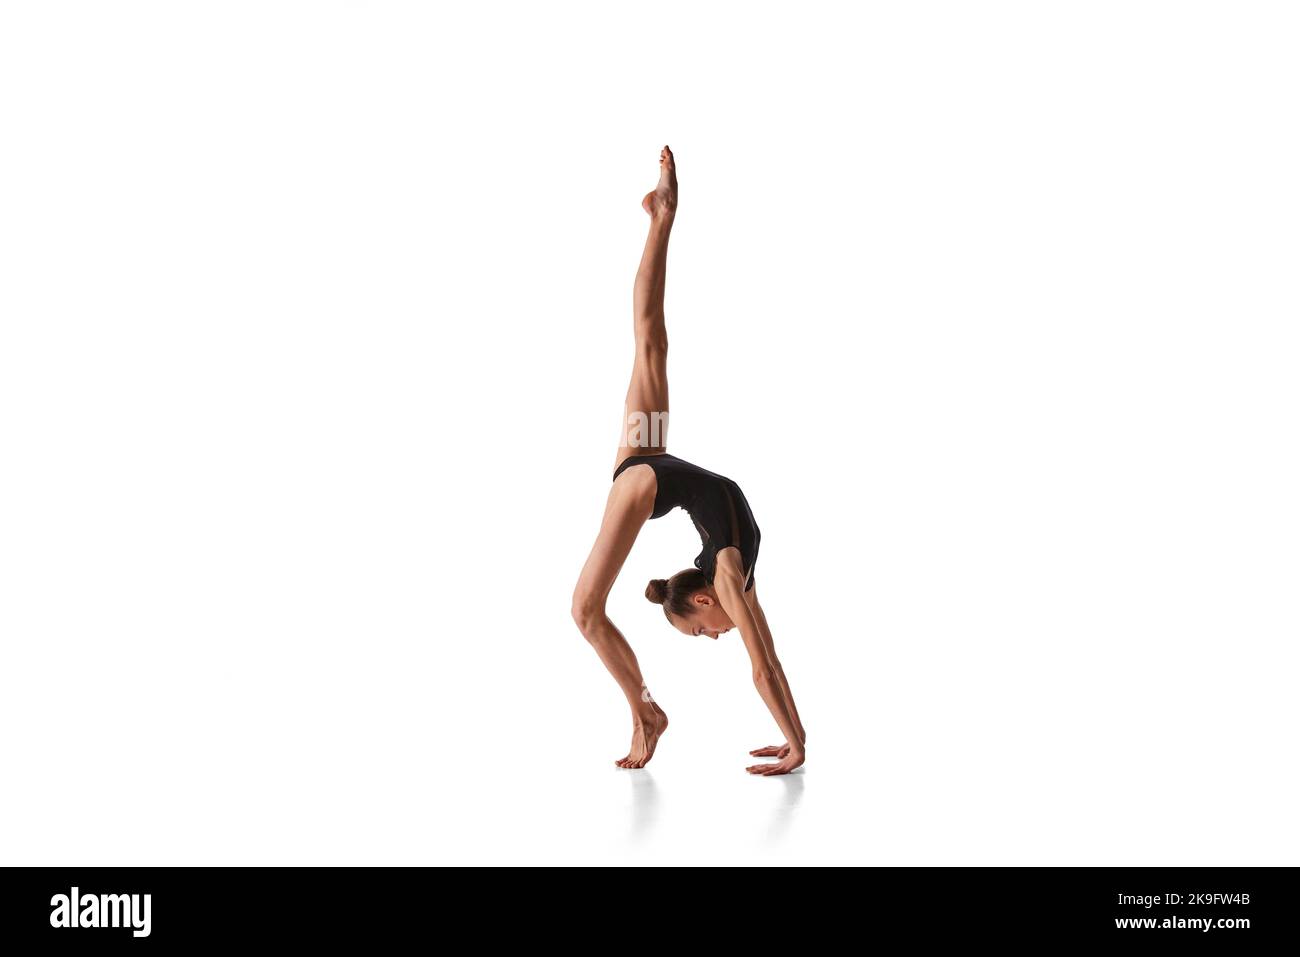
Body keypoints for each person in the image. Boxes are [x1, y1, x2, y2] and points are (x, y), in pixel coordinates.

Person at [571, 146, 807, 775]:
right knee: (585, 610)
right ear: (705, 602)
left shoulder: (733, 571)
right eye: (705, 634)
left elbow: (765, 660)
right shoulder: (731, 577)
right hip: (646, 473)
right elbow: (764, 666)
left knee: (650, 339)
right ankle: (645, 709)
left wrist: (797, 736)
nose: (715, 637)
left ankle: (662, 217)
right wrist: (798, 742)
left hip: (649, 466)